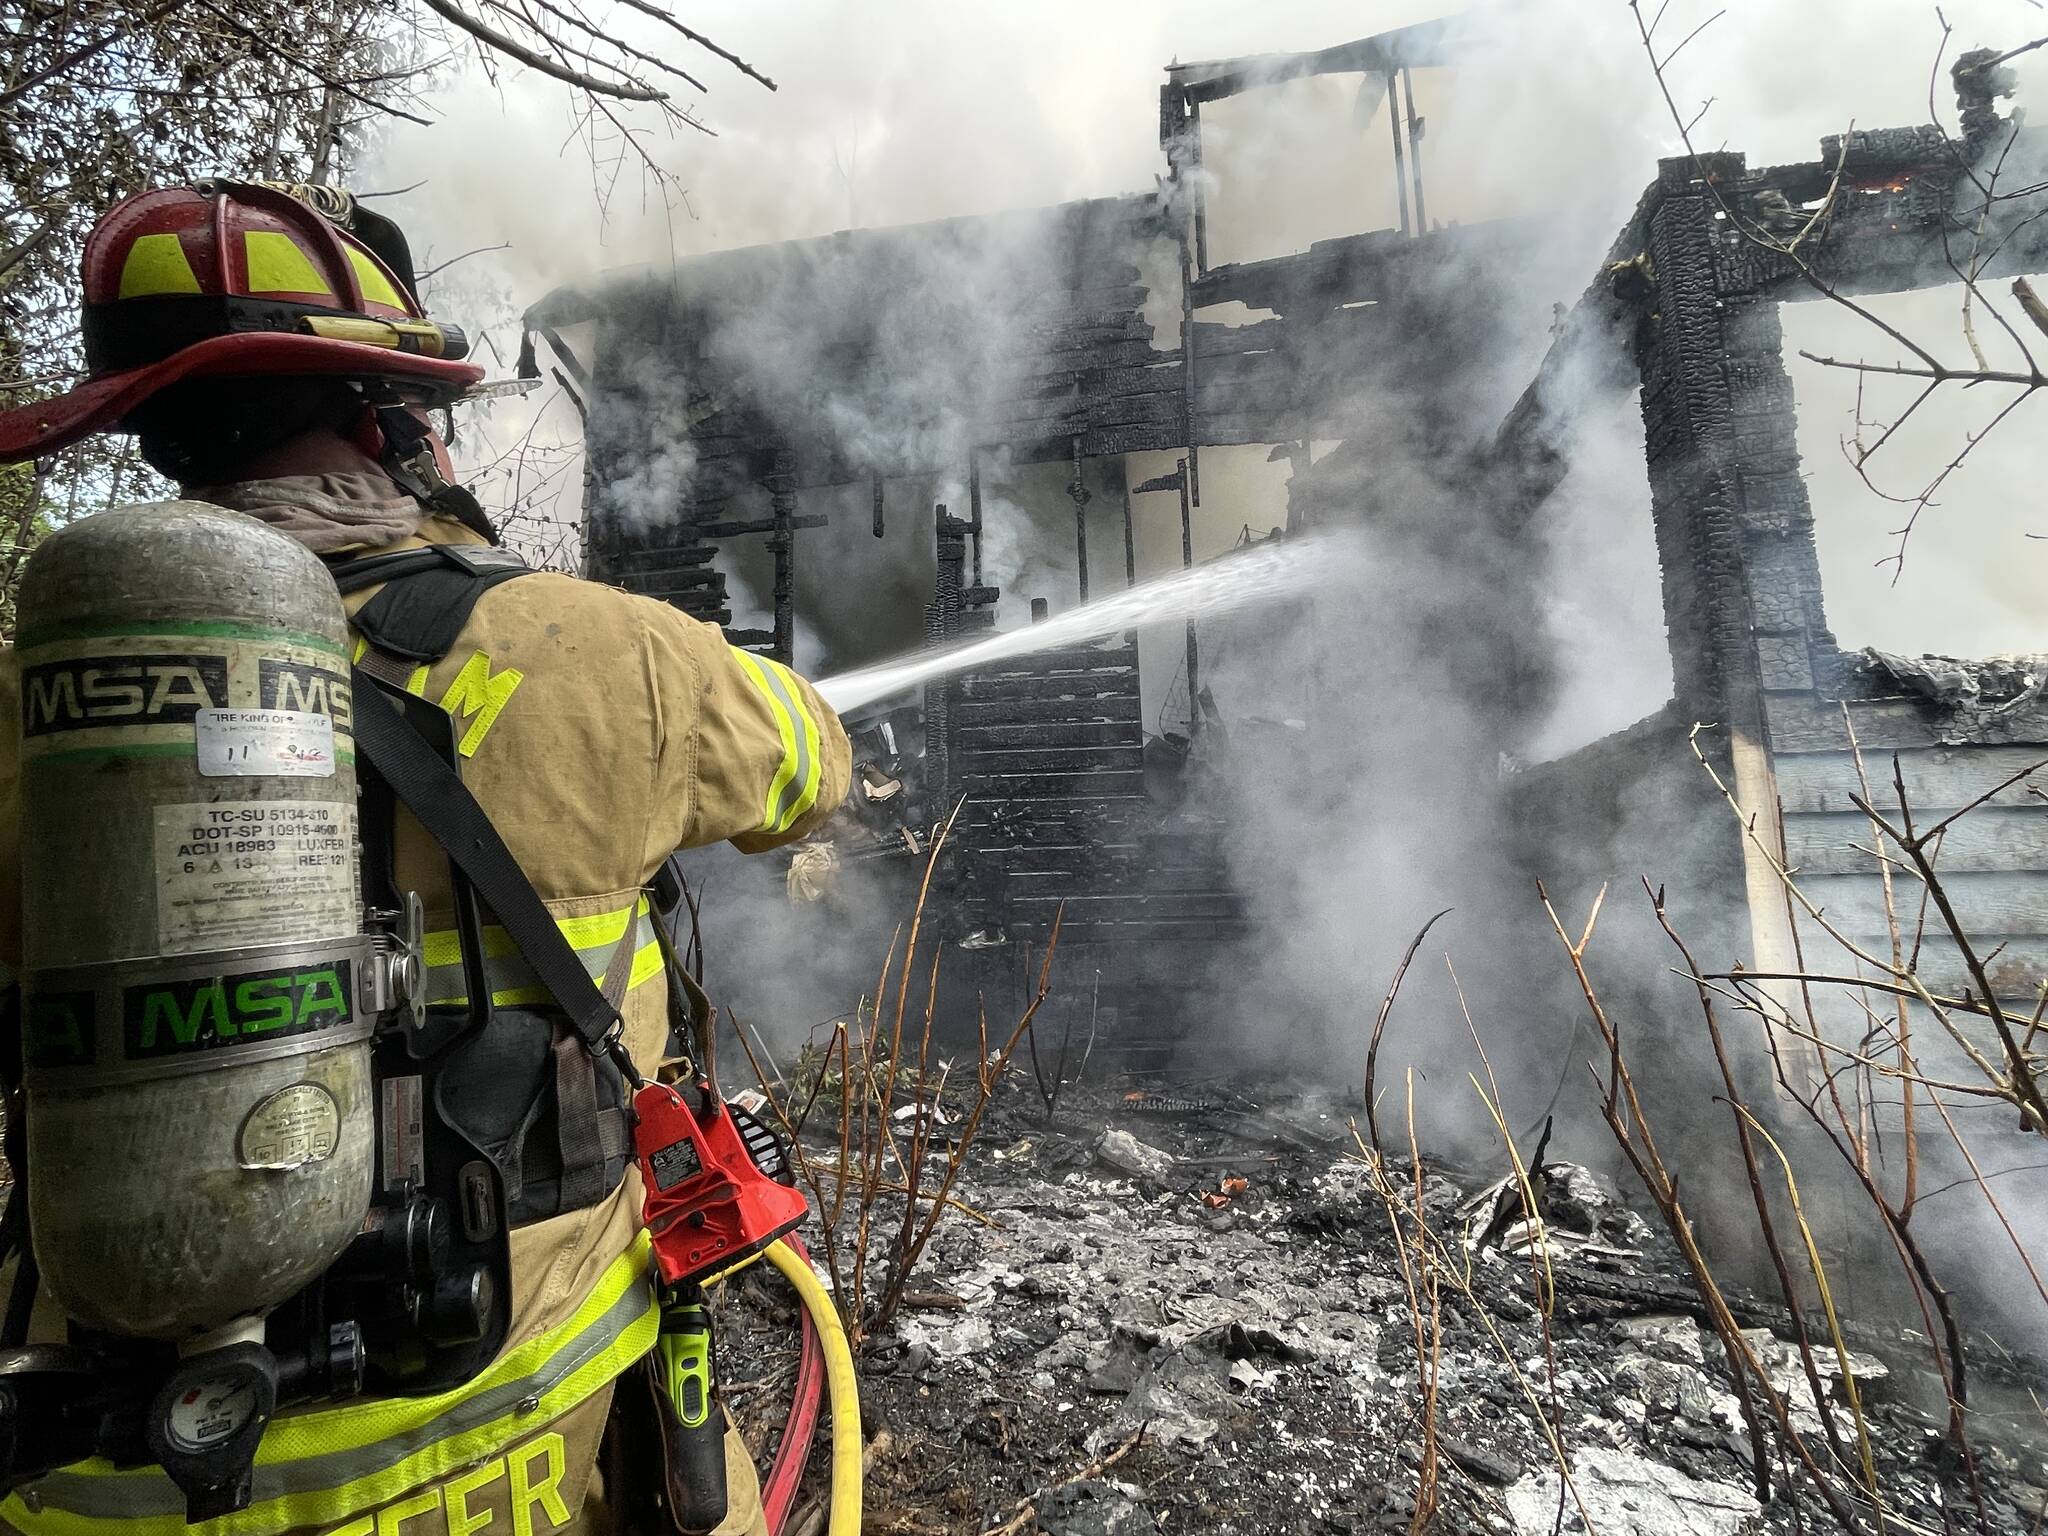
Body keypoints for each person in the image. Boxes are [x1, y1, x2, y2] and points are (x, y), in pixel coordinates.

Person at [0, 180, 852, 1536]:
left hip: (121, 1479)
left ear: (157, 439)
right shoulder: (598, 651)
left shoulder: (34, 720)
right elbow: (811, 771)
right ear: (388, 413)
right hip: (527, 1442)